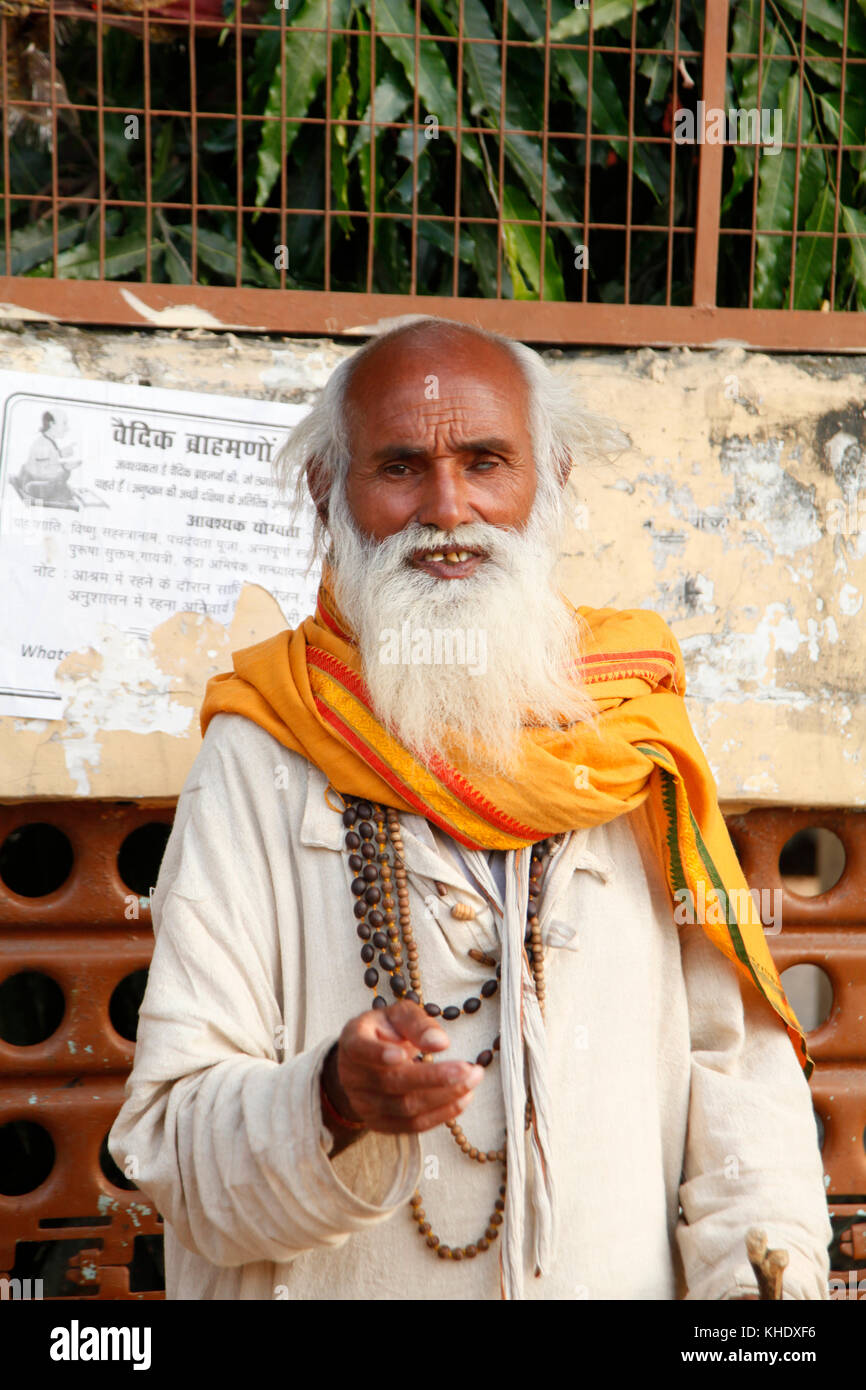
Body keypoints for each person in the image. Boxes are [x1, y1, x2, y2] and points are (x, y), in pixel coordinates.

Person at [109, 316, 832, 1301]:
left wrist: (762, 1280)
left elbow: (733, 1064)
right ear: (330, 494)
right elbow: (170, 1144)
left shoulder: (635, 732)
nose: (446, 509)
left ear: (551, 478)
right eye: (399, 467)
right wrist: (327, 1102)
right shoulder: (262, 749)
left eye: (484, 462)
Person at [17, 408, 81, 506]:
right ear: (52, 424)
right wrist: (65, 467)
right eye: (64, 423)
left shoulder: (46, 441)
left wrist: (61, 453)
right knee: (74, 499)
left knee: (73, 493)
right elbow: (42, 471)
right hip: (37, 488)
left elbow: (48, 459)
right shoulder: (42, 445)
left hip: (38, 484)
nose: (67, 428)